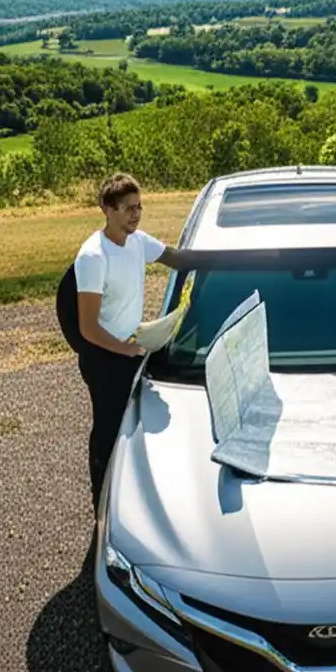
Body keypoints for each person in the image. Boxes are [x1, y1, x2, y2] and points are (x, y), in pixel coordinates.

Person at [70, 173, 217, 516]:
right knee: (108, 435)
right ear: (107, 209)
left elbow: (177, 259)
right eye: (127, 209)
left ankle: (133, 504)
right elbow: (88, 328)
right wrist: (128, 351)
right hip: (104, 358)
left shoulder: (137, 242)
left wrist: (220, 259)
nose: (136, 215)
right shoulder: (93, 256)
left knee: (135, 426)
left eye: (139, 207)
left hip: (131, 348)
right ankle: (102, 512)